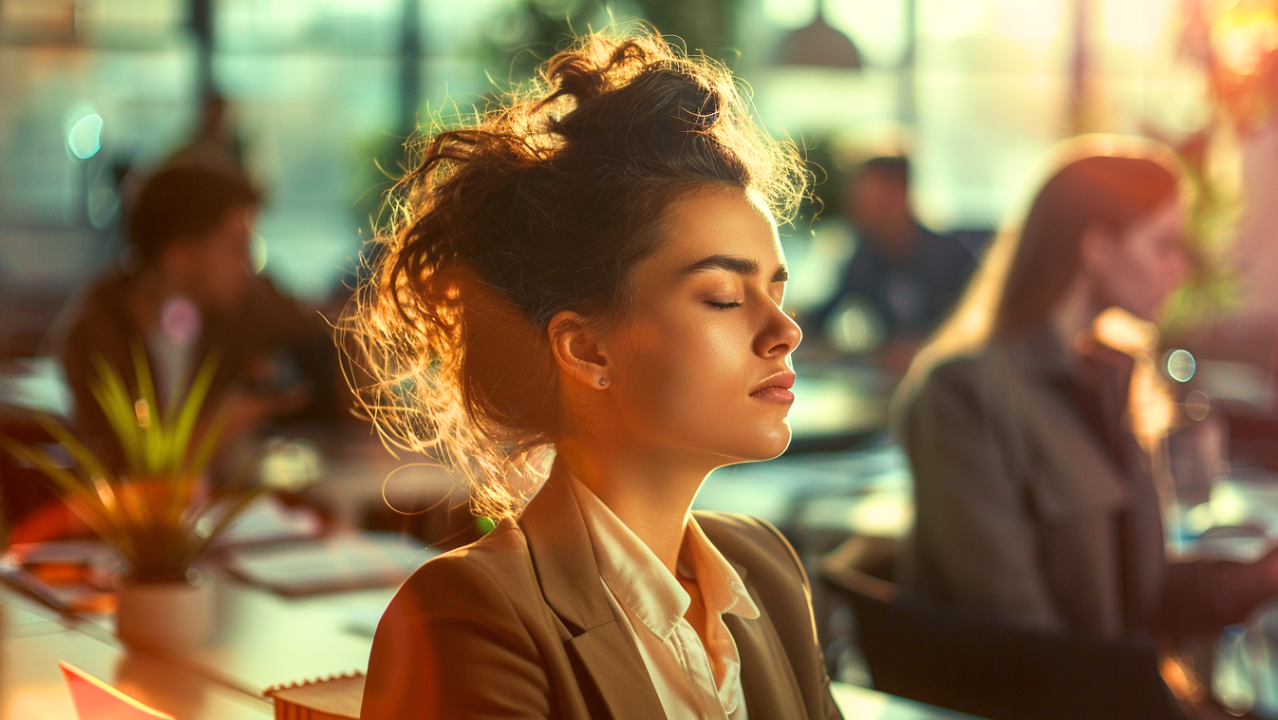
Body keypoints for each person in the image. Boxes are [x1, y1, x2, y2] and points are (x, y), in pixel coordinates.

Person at [347, 31, 841, 720]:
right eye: (725, 298)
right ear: (586, 350)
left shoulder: (767, 570)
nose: (784, 331)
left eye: (777, 294)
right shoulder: (469, 616)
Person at [895, 139, 1278, 641]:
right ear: (1096, 248)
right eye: (1163, 244)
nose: (1179, 268)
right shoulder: (964, 393)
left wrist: (1254, 580)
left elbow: (1136, 603)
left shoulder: (1112, 378)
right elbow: (1018, 643)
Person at [49, 165, 327, 473]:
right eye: (237, 247)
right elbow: (132, 475)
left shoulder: (237, 306)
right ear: (178, 256)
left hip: (223, 510)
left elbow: (323, 327)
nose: (248, 266)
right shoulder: (97, 335)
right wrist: (224, 421)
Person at [804, 157, 975, 369]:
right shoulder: (864, 259)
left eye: (867, 197)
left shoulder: (952, 258)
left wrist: (926, 350)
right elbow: (820, 319)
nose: (855, 208)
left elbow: (983, 332)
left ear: (899, 193)